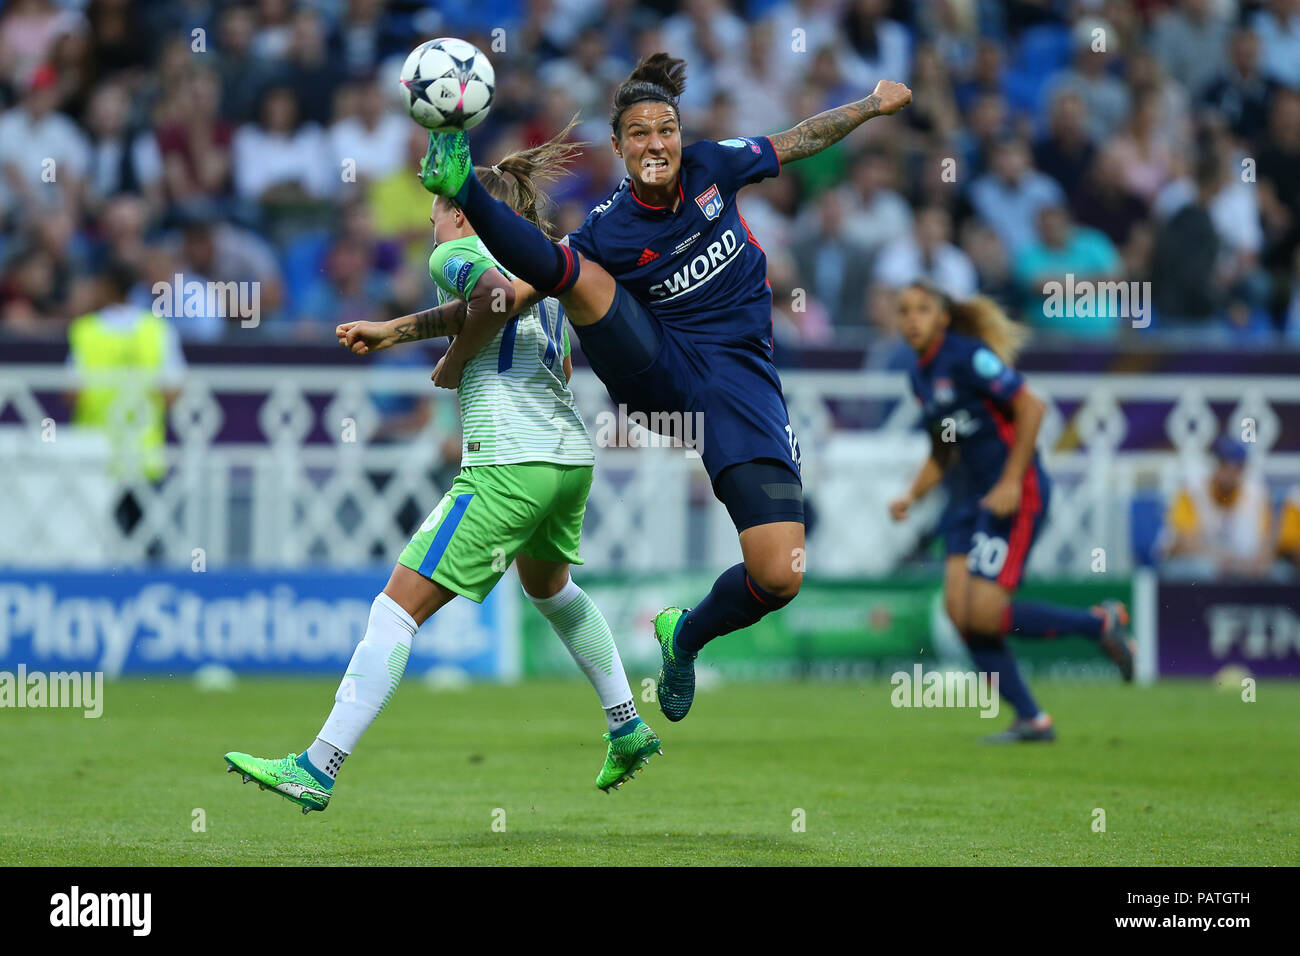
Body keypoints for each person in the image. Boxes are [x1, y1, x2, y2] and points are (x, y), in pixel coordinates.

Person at [416, 53, 912, 723]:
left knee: (778, 574)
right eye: (641, 134)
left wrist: (871, 103)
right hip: (659, 374)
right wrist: (404, 322)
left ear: (681, 135)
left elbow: (799, 140)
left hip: (743, 388)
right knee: (580, 273)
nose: (658, 144)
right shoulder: (608, 231)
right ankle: (463, 182)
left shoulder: (716, 167)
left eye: (667, 130)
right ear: (618, 147)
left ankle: (684, 636)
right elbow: (525, 286)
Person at [224, 131, 660, 812]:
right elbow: (519, 326)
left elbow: (483, 301)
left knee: (394, 609)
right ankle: (628, 723)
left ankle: (318, 765)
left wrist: (455, 365)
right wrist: (394, 330)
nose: (430, 222)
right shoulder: (542, 271)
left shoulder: (457, 249)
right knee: (551, 591)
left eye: (434, 210)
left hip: (506, 464)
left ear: (463, 210)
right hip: (568, 459)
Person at [887, 282, 1135, 743]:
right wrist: (912, 495)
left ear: (944, 317)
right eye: (904, 311)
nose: (912, 318)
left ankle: (1099, 623)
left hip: (1013, 491)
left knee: (983, 612)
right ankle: (1033, 719)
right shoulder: (920, 376)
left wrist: (1008, 482)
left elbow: (1032, 406)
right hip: (967, 502)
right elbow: (944, 448)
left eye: (923, 308)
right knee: (959, 614)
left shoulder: (967, 356)